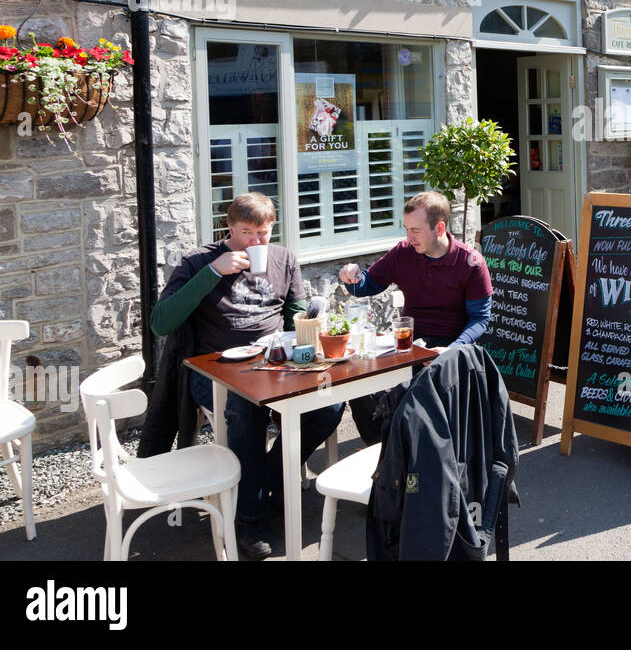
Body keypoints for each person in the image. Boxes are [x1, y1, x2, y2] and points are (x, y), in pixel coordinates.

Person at [150, 192, 344, 560]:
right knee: (247, 410)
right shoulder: (198, 262)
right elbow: (161, 323)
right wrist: (213, 273)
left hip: (274, 364)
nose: (256, 242)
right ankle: (250, 518)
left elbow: (295, 311)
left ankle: (266, 482)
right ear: (229, 228)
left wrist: (304, 325)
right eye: (247, 233)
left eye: (264, 233)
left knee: (329, 405)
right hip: (216, 372)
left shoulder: (283, 258)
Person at [339, 191, 494, 440]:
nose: (409, 237)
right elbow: (368, 285)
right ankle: (385, 455)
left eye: (416, 230)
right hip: (409, 345)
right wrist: (352, 276)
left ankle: (406, 455)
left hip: (452, 347)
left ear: (439, 227)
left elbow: (480, 319)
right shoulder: (403, 253)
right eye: (406, 229)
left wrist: (452, 349)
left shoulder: (471, 262)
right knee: (358, 385)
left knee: (411, 399)